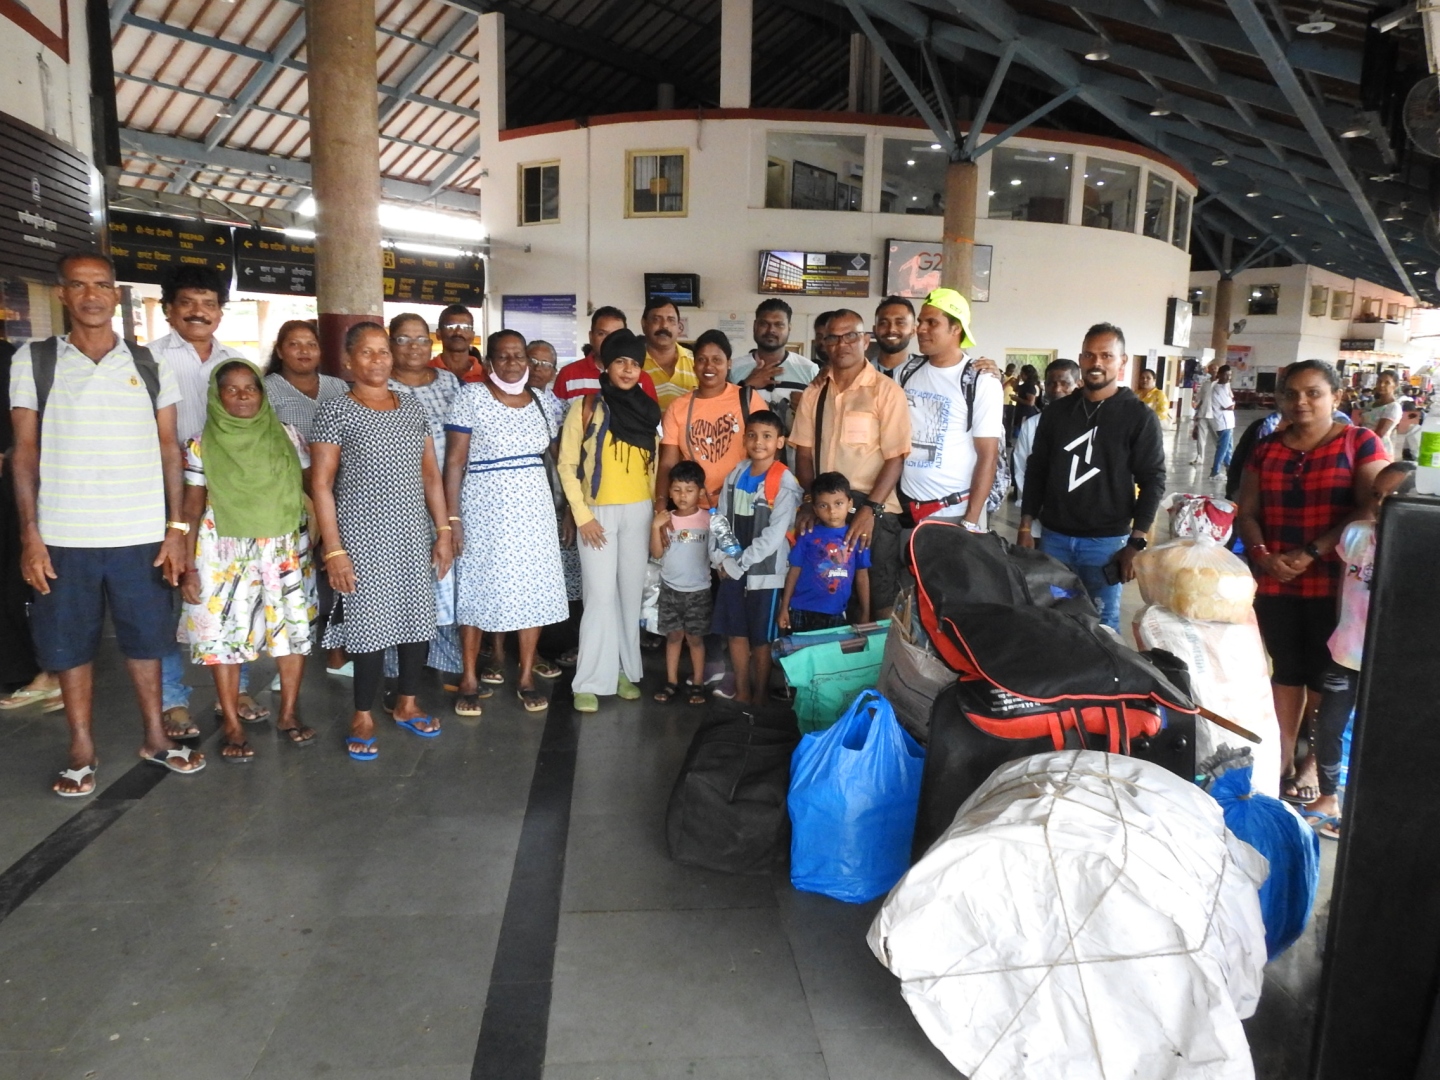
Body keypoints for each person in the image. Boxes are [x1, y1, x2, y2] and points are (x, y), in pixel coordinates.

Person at [11, 251, 205, 795]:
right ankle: (81, 746)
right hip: (63, 536)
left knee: (147, 641)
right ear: (62, 295)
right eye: (80, 286)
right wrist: (30, 534)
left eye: (102, 285)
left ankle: (155, 737)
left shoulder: (148, 365)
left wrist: (176, 529)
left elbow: (171, 451)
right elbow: (24, 454)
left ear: (116, 293)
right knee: (70, 647)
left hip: (141, 534)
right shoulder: (35, 359)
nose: (92, 296)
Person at [1235, 359, 1388, 803]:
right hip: (1277, 579)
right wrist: (1263, 555)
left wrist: (1311, 552)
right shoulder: (1267, 449)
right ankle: (1282, 755)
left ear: (1336, 397)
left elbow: (1368, 509)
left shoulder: (1360, 443)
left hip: (1337, 584)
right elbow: (1247, 511)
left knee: (1326, 677)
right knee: (1286, 668)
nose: (1301, 401)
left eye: (1313, 392)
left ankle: (1312, 765)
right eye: (1291, 393)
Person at [310, 322, 452, 760]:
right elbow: (320, 485)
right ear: (349, 361)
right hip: (360, 535)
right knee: (368, 627)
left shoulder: (411, 408)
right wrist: (334, 549)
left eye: (383, 352)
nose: (377, 360)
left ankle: (407, 702)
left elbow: (431, 474)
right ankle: (363, 713)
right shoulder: (336, 411)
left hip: (411, 532)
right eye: (367, 353)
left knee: (415, 617)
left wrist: (443, 531)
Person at [178, 360, 317, 760]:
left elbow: (311, 488)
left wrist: (327, 544)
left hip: (285, 549)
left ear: (262, 392)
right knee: (223, 637)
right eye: (231, 389)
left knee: (292, 632)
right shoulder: (200, 444)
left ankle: (288, 713)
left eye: (250, 388)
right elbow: (189, 509)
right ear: (216, 397)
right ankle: (233, 725)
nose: (242, 396)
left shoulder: (288, 437)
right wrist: (187, 565)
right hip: (223, 552)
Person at [150, 265, 260, 735]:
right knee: (166, 595)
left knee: (237, 595)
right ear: (168, 309)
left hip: (229, 497)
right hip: (163, 494)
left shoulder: (236, 362)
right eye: (188, 302)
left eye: (209, 303)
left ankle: (235, 691)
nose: (199, 312)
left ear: (220, 311)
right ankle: (173, 699)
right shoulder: (145, 359)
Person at [445, 329, 569, 715]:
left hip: (534, 509)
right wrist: (452, 520)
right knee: (478, 587)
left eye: (520, 357)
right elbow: (453, 462)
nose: (513, 363)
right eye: (503, 356)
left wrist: (566, 510)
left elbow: (559, 460)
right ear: (488, 362)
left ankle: (527, 676)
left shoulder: (543, 403)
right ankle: (468, 677)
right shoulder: (471, 397)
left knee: (533, 589)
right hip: (484, 506)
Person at [1018, 323, 1166, 631]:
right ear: (1081, 359)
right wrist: (1025, 525)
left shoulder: (1139, 417)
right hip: (1054, 539)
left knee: (1102, 625)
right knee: (1051, 619)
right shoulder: (1057, 413)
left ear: (1122, 361)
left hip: (1106, 543)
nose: (1096, 362)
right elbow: (1037, 468)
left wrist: (1136, 543)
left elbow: (1152, 480)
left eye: (1106, 355)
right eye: (1089, 355)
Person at [1301, 461, 1416, 840]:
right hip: (1346, 654)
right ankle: (1329, 798)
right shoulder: (1355, 536)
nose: (1382, 506)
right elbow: (1344, 590)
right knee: (1330, 724)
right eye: (1377, 497)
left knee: (1380, 735)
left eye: (1394, 498)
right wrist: (1340, 627)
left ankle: (1370, 806)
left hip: (1389, 664)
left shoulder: (1422, 549)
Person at [558, 328, 661, 714]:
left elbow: (653, 469)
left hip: (639, 512)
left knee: (628, 597)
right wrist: (582, 516)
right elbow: (567, 465)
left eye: (634, 363)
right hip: (597, 515)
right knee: (599, 597)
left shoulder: (649, 409)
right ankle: (588, 679)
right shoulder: (586, 406)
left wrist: (654, 517)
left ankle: (621, 670)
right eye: (620, 361)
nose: (628, 370)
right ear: (605, 364)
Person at [790, 309, 912, 620]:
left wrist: (870, 510)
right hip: (826, 508)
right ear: (824, 344)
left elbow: (895, 458)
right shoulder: (814, 393)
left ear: (865, 340)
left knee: (877, 595)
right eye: (833, 337)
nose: (842, 343)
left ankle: (877, 666)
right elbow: (803, 455)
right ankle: (835, 666)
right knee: (828, 592)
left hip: (875, 508)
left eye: (851, 336)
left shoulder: (886, 391)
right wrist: (809, 500)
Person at [388, 313, 464, 684]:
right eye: (403, 339)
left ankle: (446, 664)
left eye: (420, 339)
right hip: (395, 500)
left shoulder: (449, 382)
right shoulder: (379, 385)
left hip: (447, 495)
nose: (414, 347)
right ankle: (398, 672)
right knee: (401, 584)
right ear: (390, 344)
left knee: (446, 579)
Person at [710, 411, 803, 705]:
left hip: (765, 573)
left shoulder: (784, 481)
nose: (758, 442)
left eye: (766, 436)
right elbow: (720, 519)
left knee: (761, 640)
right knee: (736, 634)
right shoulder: (735, 475)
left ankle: (760, 696)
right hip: (731, 570)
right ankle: (743, 692)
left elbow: (775, 536)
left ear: (779, 442)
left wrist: (737, 563)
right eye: (752, 435)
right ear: (744, 438)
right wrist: (719, 558)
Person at [898, 288, 1003, 530]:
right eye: (921, 321)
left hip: (953, 511)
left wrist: (971, 521)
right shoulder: (907, 372)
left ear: (956, 329)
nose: (921, 329)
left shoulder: (980, 380)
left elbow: (988, 455)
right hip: (905, 508)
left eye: (932, 322)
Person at [656, 329, 751, 506]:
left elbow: (767, 454)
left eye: (717, 360)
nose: (709, 366)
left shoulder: (748, 400)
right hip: (692, 509)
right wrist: (661, 504)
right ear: (693, 364)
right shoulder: (678, 407)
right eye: (702, 359)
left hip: (741, 506)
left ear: (729, 363)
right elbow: (668, 464)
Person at [649, 460, 712, 705]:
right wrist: (655, 527)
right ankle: (671, 680)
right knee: (673, 636)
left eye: (689, 490)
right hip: (670, 588)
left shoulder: (707, 520)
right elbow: (656, 553)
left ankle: (697, 683)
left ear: (700, 492)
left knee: (695, 639)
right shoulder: (666, 519)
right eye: (676, 489)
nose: (682, 496)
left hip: (699, 590)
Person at [779, 472, 870, 633]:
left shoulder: (856, 537)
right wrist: (784, 607)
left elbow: (862, 576)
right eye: (823, 506)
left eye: (838, 503)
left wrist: (865, 612)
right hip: (801, 609)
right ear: (814, 508)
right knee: (799, 654)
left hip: (835, 612)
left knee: (830, 656)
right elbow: (794, 570)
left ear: (850, 504)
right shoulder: (807, 534)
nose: (832, 511)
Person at [730, 298, 818, 435]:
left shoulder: (809, 369)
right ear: (754, 326)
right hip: (743, 453)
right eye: (764, 324)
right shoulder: (734, 368)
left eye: (779, 325)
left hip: (794, 455)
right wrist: (747, 385)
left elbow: (824, 419)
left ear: (789, 328)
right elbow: (721, 411)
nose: (771, 330)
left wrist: (809, 407)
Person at [1012, 359, 1080, 514]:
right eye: (1051, 383)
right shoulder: (1032, 424)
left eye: (1065, 383)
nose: (1057, 389)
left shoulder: (1088, 423)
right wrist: (1037, 503)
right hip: (1041, 510)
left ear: (1078, 384)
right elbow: (1022, 467)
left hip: (1079, 513)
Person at [264, 320, 349, 441]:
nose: (304, 350)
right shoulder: (267, 388)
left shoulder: (338, 386)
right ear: (280, 352)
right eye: (294, 344)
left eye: (311, 344)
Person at [552, 307, 659, 401]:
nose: (609, 340)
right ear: (591, 337)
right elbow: (557, 420)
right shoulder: (568, 374)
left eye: (616, 335)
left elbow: (651, 421)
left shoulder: (641, 378)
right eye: (602, 334)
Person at [641, 297, 697, 408]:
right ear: (644, 324)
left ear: (679, 327)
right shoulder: (633, 363)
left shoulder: (696, 361)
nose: (664, 326)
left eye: (671, 320)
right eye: (657, 319)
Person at [868, 296, 923, 377]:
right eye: (884, 323)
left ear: (913, 330)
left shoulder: (924, 371)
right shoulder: (861, 371)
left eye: (900, 323)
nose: (891, 329)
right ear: (875, 330)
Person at [432, 304, 486, 383]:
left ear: (473, 335)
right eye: (451, 327)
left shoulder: (487, 376)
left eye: (465, 327)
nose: (458, 332)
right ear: (438, 334)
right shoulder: (424, 371)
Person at [1363, 369, 1403, 459]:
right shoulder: (1372, 404)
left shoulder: (1393, 407)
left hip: (1378, 448)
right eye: (1379, 381)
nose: (1382, 385)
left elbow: (1379, 433)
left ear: (1395, 385)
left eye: (1387, 382)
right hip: (1364, 444)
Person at [1208, 364, 1236, 478]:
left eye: (1229, 375)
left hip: (1228, 422)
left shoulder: (1225, 386)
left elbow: (1232, 398)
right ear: (1219, 375)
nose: (1228, 377)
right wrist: (1232, 403)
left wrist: (1232, 402)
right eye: (1225, 375)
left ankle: (1229, 467)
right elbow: (1230, 406)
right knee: (1223, 448)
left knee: (1228, 447)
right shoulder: (1218, 389)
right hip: (1223, 422)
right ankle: (1215, 471)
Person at [1190, 359, 1219, 466]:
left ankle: (1220, 458)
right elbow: (1199, 399)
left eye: (1215, 369)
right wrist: (1196, 411)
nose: (1213, 371)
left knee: (1217, 438)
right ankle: (1199, 458)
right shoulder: (1205, 384)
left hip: (1214, 415)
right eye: (1211, 369)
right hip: (1203, 413)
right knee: (1200, 437)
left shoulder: (1220, 384)